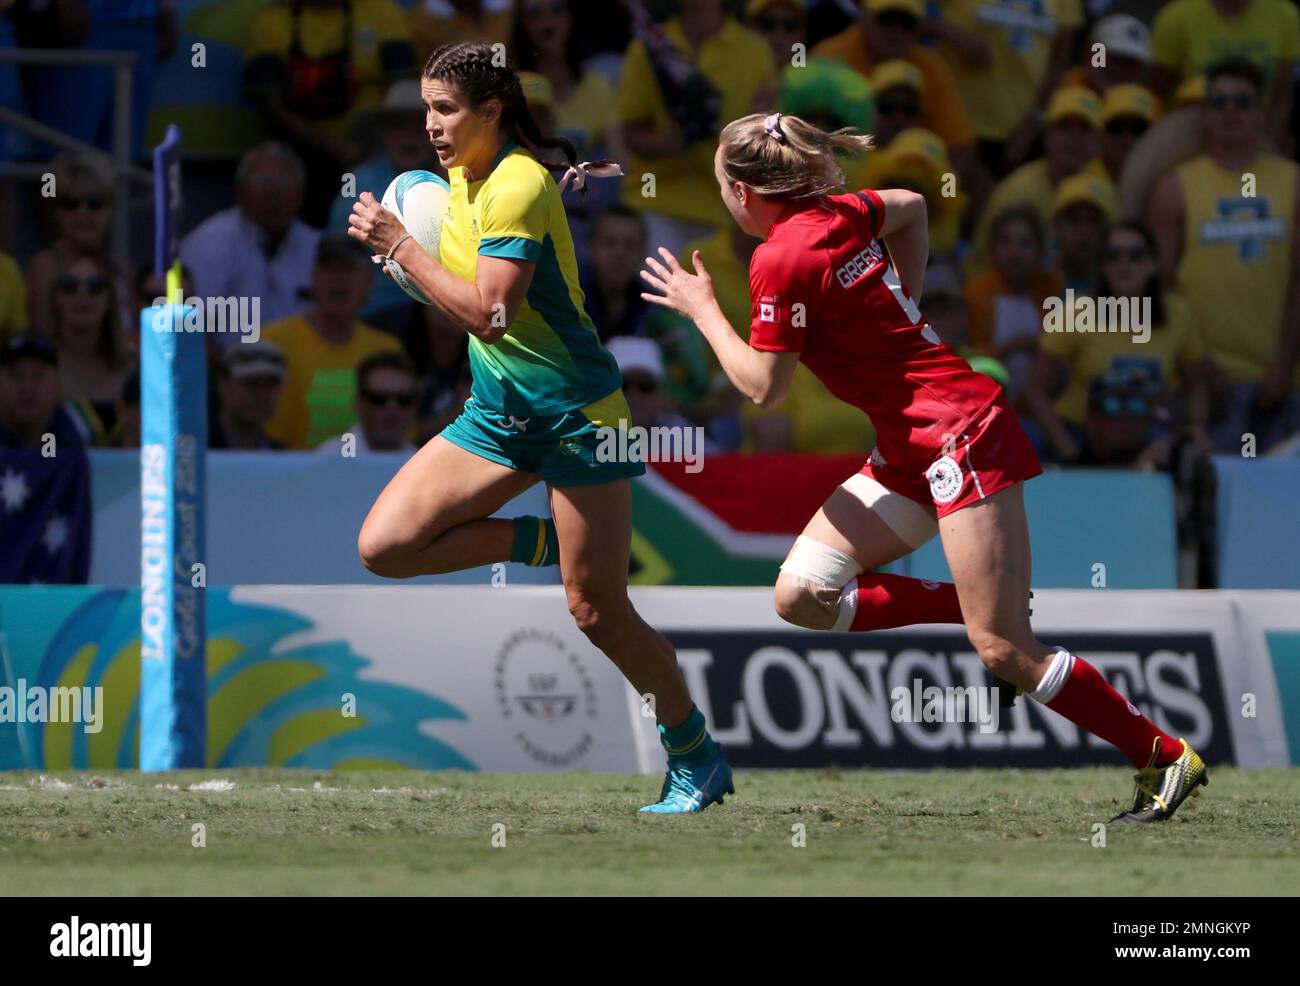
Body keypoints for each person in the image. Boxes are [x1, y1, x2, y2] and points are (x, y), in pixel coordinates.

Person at [639, 110, 1207, 823]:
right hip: (908, 443)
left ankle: (1162, 754)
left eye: (723, 188)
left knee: (1003, 649)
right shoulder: (841, 212)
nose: (725, 201)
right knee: (801, 597)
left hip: (958, 434)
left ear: (746, 195)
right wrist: (901, 302)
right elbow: (910, 209)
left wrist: (702, 310)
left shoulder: (779, 257)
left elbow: (763, 387)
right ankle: (962, 605)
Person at [346, 41, 733, 813]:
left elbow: (489, 316)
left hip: (576, 418)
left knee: (597, 611)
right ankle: (549, 543)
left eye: (446, 108)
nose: (431, 124)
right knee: (384, 547)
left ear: (491, 112)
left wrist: (399, 249)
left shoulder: (516, 183)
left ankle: (695, 755)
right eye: (425, 107)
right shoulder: (467, 176)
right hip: (499, 416)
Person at [1147, 57, 1300, 453]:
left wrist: (1285, 365)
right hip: (1203, 383)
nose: (1230, 111)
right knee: (1206, 506)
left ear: (1262, 113)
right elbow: (1160, 287)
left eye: (1242, 102)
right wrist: (1197, 368)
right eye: (1219, 102)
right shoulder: (1174, 188)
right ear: (1204, 114)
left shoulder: (1294, 181)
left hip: (1282, 378)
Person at [1026, 221, 1211, 465]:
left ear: (1153, 263)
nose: (1124, 264)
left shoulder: (1179, 313)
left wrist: (1196, 427)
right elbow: (1036, 390)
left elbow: (1196, 386)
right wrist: (1068, 449)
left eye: (1136, 255)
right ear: (1103, 267)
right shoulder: (1076, 311)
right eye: (1113, 256)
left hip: (1148, 438)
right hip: (1082, 437)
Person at [261, 235, 401, 449]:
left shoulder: (386, 350)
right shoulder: (273, 342)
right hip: (291, 475)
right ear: (313, 278)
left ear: (368, 283)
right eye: (330, 269)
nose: (339, 279)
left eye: (350, 270)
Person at [180, 142, 322, 332]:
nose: (273, 193)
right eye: (263, 182)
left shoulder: (319, 247)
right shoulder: (207, 243)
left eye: (285, 182)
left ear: (302, 191)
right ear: (239, 189)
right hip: (228, 360)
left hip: (306, 359)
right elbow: (189, 323)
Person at [1151, 0, 1298, 149]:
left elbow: (1282, 95)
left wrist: (1268, 145)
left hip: (1259, 139)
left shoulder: (1284, 14)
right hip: (1189, 140)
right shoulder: (1176, 17)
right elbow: (1158, 94)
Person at [50, 253, 132, 446]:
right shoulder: (38, 369)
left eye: (95, 286)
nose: (82, 294)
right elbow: (43, 447)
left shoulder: (135, 368)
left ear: (110, 299)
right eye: (70, 285)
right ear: (54, 299)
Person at [320, 349, 420, 454]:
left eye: (404, 400)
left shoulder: (423, 463)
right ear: (359, 404)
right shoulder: (329, 457)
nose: (392, 408)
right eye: (379, 399)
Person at [211, 342, 287, 450]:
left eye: (271, 383)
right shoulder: (196, 453)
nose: (262, 392)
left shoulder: (282, 457)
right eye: (251, 381)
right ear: (223, 383)